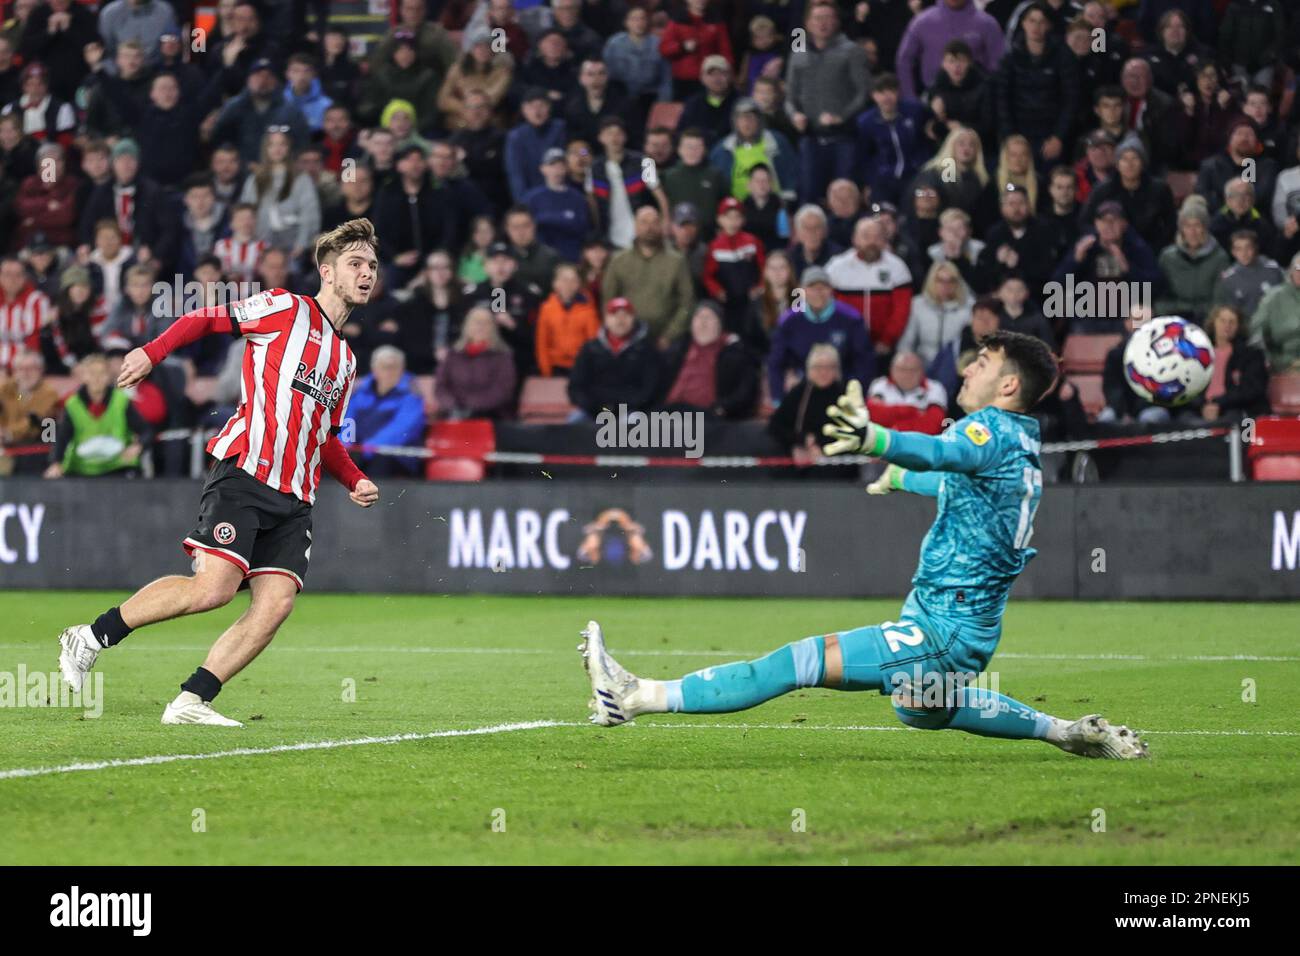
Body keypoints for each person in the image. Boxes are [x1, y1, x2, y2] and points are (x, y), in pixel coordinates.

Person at [581, 330, 1149, 759]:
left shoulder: (991, 428)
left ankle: (634, 696)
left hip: (941, 630)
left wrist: (876, 438)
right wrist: (899, 477)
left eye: (982, 363)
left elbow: (942, 454)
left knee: (794, 662)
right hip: (959, 628)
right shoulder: (1019, 444)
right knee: (922, 709)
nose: (969, 368)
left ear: (1007, 385)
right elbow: (954, 478)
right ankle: (1064, 732)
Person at [56, 220, 382, 726]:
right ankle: (92, 635)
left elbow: (326, 436)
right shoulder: (285, 307)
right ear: (328, 272)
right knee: (214, 589)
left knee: (276, 604)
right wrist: (151, 350)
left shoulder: (345, 359)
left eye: (373, 267)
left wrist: (354, 477)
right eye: (356, 264)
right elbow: (208, 319)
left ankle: (191, 701)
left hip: (296, 496)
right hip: (246, 472)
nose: (367, 274)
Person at [767, 265, 873, 403]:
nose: (818, 292)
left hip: (842, 389)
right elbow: (776, 362)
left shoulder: (850, 318)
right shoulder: (789, 320)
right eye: (812, 287)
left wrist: (858, 396)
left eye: (823, 287)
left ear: (831, 290)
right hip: (802, 389)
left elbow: (864, 360)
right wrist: (778, 399)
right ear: (802, 290)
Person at [44, 352, 153, 479]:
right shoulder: (72, 404)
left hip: (118, 466)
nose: (97, 378)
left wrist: (138, 446)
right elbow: (61, 438)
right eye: (92, 373)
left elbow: (146, 431)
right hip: (82, 469)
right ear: (84, 376)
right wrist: (55, 463)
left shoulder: (121, 400)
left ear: (108, 376)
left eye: (101, 373)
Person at [601, 206, 696, 346]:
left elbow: (687, 302)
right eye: (644, 222)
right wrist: (619, 333)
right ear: (635, 226)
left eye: (654, 222)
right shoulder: (618, 261)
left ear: (661, 226)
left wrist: (669, 336)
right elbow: (608, 302)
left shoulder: (677, 261)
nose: (649, 228)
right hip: (627, 339)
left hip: (668, 339)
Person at [660, 299, 758, 420]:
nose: (703, 323)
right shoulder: (678, 349)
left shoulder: (734, 353)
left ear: (720, 324)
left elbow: (746, 390)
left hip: (707, 417)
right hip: (669, 413)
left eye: (709, 318)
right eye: (698, 317)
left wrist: (723, 407)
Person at [567, 296, 661, 419]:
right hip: (594, 411)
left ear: (633, 318)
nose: (620, 320)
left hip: (631, 412)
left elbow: (650, 390)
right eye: (614, 315)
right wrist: (597, 407)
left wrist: (620, 408)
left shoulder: (646, 350)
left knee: (634, 421)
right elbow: (576, 387)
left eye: (625, 315)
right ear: (606, 319)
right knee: (575, 419)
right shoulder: (590, 349)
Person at [348, 345, 427, 477]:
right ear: (374, 369)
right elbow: (346, 420)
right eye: (384, 367)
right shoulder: (360, 391)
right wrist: (346, 447)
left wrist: (366, 449)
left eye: (395, 367)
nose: (390, 372)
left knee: (379, 463)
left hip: (397, 455)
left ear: (402, 369)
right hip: (358, 451)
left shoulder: (412, 395)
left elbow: (401, 429)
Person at [766, 343, 844, 465]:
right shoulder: (799, 393)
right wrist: (802, 441)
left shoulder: (844, 394)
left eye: (829, 367)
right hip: (801, 458)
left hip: (838, 460)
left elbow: (852, 432)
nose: (823, 372)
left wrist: (821, 446)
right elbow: (775, 426)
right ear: (809, 369)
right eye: (818, 367)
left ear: (837, 370)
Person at [1199, 304, 1270, 424]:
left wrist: (1219, 403)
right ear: (1213, 323)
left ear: (1239, 326)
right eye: (1222, 321)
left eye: (1232, 322)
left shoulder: (1251, 355)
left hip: (1234, 408)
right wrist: (1202, 406)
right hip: (1201, 408)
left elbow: (1251, 390)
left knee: (1231, 420)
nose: (1227, 326)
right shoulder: (1199, 352)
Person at [0, 349, 61, 476]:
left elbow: (33, 423)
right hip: (6, 448)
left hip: (35, 451)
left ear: (41, 370)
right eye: (20, 369)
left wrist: (7, 433)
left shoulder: (48, 393)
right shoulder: (7, 389)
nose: (25, 373)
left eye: (31, 368)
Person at [536, 262, 599, 378]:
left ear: (579, 284)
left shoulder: (588, 308)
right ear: (555, 284)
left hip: (580, 365)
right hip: (555, 365)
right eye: (564, 280)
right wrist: (546, 371)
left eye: (573, 280)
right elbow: (542, 343)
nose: (568, 285)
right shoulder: (546, 308)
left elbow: (594, 343)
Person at [867, 351, 949, 435]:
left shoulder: (935, 388)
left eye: (913, 370)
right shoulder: (879, 384)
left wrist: (896, 428)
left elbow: (933, 425)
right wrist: (912, 411)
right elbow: (873, 416)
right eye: (902, 369)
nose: (907, 374)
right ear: (892, 370)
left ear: (922, 371)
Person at [1212, 230, 1283, 320]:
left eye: (1248, 248)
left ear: (1255, 248)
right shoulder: (1229, 280)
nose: (1244, 253)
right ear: (1233, 252)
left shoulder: (1273, 270)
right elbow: (1227, 312)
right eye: (1239, 249)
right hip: (1247, 328)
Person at [1250, 252, 1300, 373]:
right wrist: (1278, 361)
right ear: (1290, 270)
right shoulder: (1273, 298)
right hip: (1285, 364)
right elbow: (1256, 337)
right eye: (1298, 269)